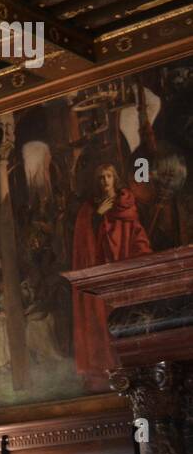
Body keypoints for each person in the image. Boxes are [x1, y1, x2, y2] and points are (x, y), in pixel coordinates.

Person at [71, 161, 152, 390]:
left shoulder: (126, 206)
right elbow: (83, 244)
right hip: (101, 278)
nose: (104, 181)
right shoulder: (90, 209)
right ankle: (106, 372)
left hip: (123, 275)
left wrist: (141, 260)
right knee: (103, 324)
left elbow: (137, 236)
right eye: (100, 177)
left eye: (108, 176)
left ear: (114, 178)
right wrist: (97, 217)